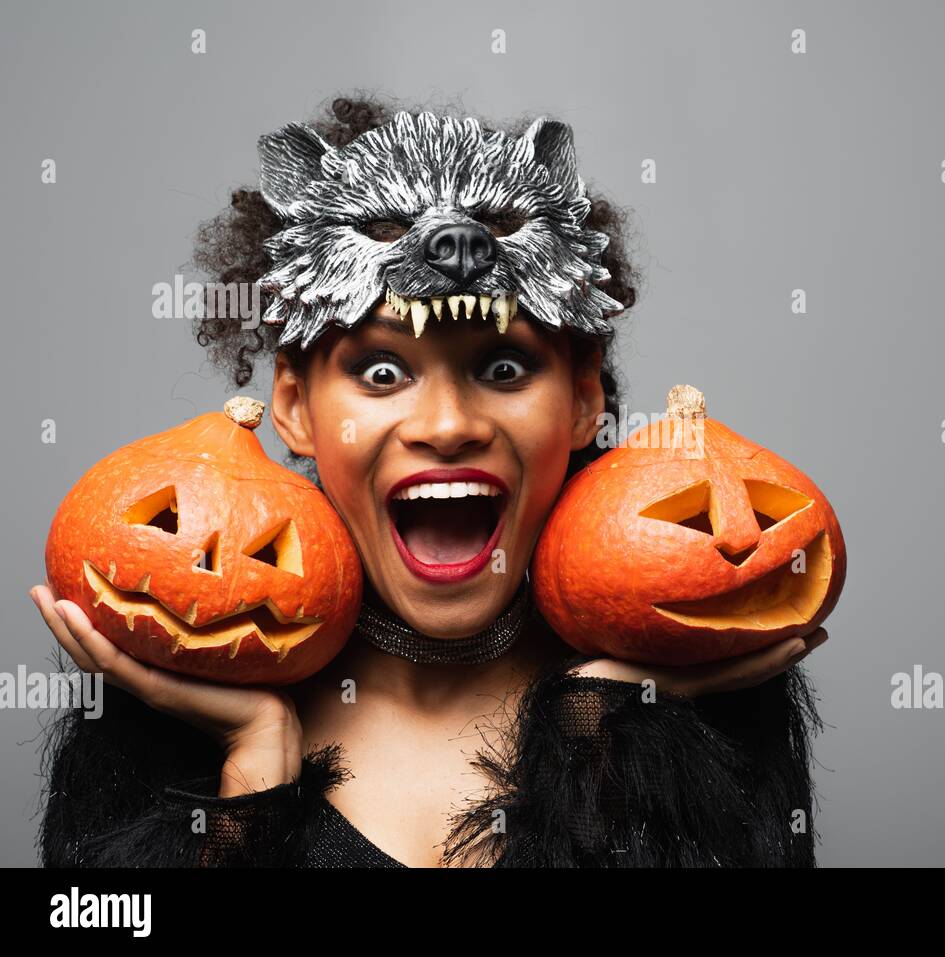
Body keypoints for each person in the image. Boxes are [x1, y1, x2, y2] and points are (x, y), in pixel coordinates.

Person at [32, 94, 828, 867]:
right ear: (294, 405)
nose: (447, 425)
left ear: (585, 399)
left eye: (505, 366)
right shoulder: (176, 684)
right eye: (381, 371)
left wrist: (601, 731)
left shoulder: (695, 678)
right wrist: (249, 783)